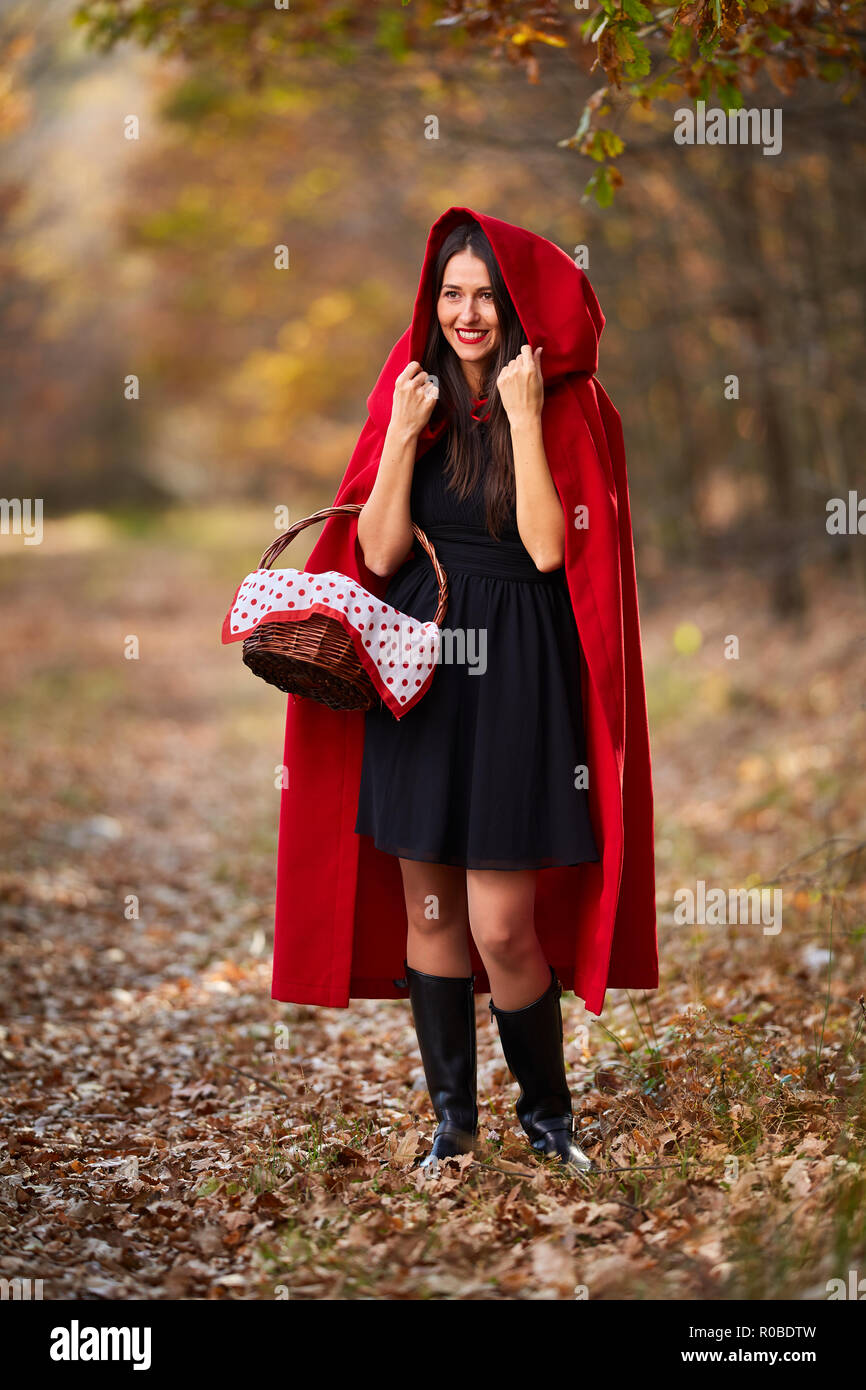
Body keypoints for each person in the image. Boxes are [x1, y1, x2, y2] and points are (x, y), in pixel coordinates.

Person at [268, 207, 658, 1177]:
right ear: (430, 299)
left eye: (485, 294)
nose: (467, 312)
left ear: (514, 303)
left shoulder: (566, 403)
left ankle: (548, 1117)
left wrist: (523, 416)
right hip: (419, 667)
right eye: (450, 293)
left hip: (519, 672)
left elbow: (543, 545)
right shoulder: (409, 391)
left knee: (501, 923)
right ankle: (454, 1122)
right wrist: (400, 434)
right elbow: (378, 550)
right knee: (432, 911)